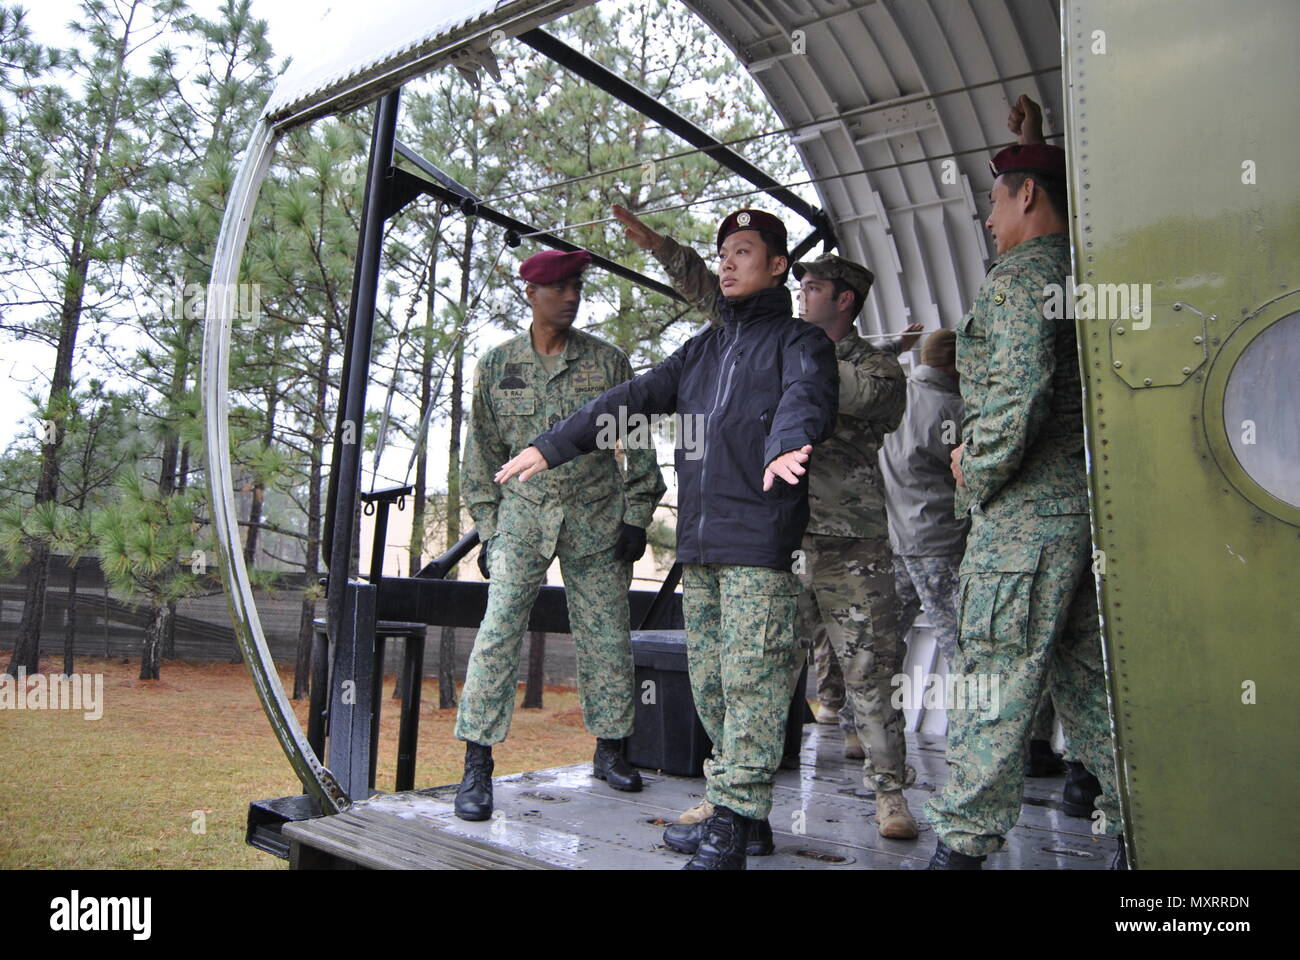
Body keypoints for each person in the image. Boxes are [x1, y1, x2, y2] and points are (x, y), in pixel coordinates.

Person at [495, 208, 838, 868]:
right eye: (723, 253)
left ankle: (734, 820)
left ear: (776, 266)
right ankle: (744, 813)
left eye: (744, 251)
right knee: (710, 685)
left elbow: (807, 396)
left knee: (753, 683)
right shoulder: (703, 350)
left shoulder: (799, 342)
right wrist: (552, 445)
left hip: (759, 544)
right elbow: (631, 396)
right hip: (702, 546)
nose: (729, 262)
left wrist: (790, 439)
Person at [923, 95, 1125, 869]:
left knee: (992, 685)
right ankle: (1138, 834)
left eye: (993, 202)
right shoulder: (1082, 274)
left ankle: (962, 852)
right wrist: (1032, 142)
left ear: (1027, 196)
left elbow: (1017, 394)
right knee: (1088, 686)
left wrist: (975, 465)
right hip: (1082, 516)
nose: (986, 221)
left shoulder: (1018, 281)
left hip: (1027, 522)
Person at [452, 248, 666, 822]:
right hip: (522, 517)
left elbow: (639, 443)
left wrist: (636, 515)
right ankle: (477, 764)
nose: (571, 296)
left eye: (577, 286)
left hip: (596, 515)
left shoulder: (608, 363)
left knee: (606, 635)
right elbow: (481, 456)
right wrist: (490, 529)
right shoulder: (497, 366)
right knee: (498, 632)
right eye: (560, 287)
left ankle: (611, 749)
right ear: (532, 293)